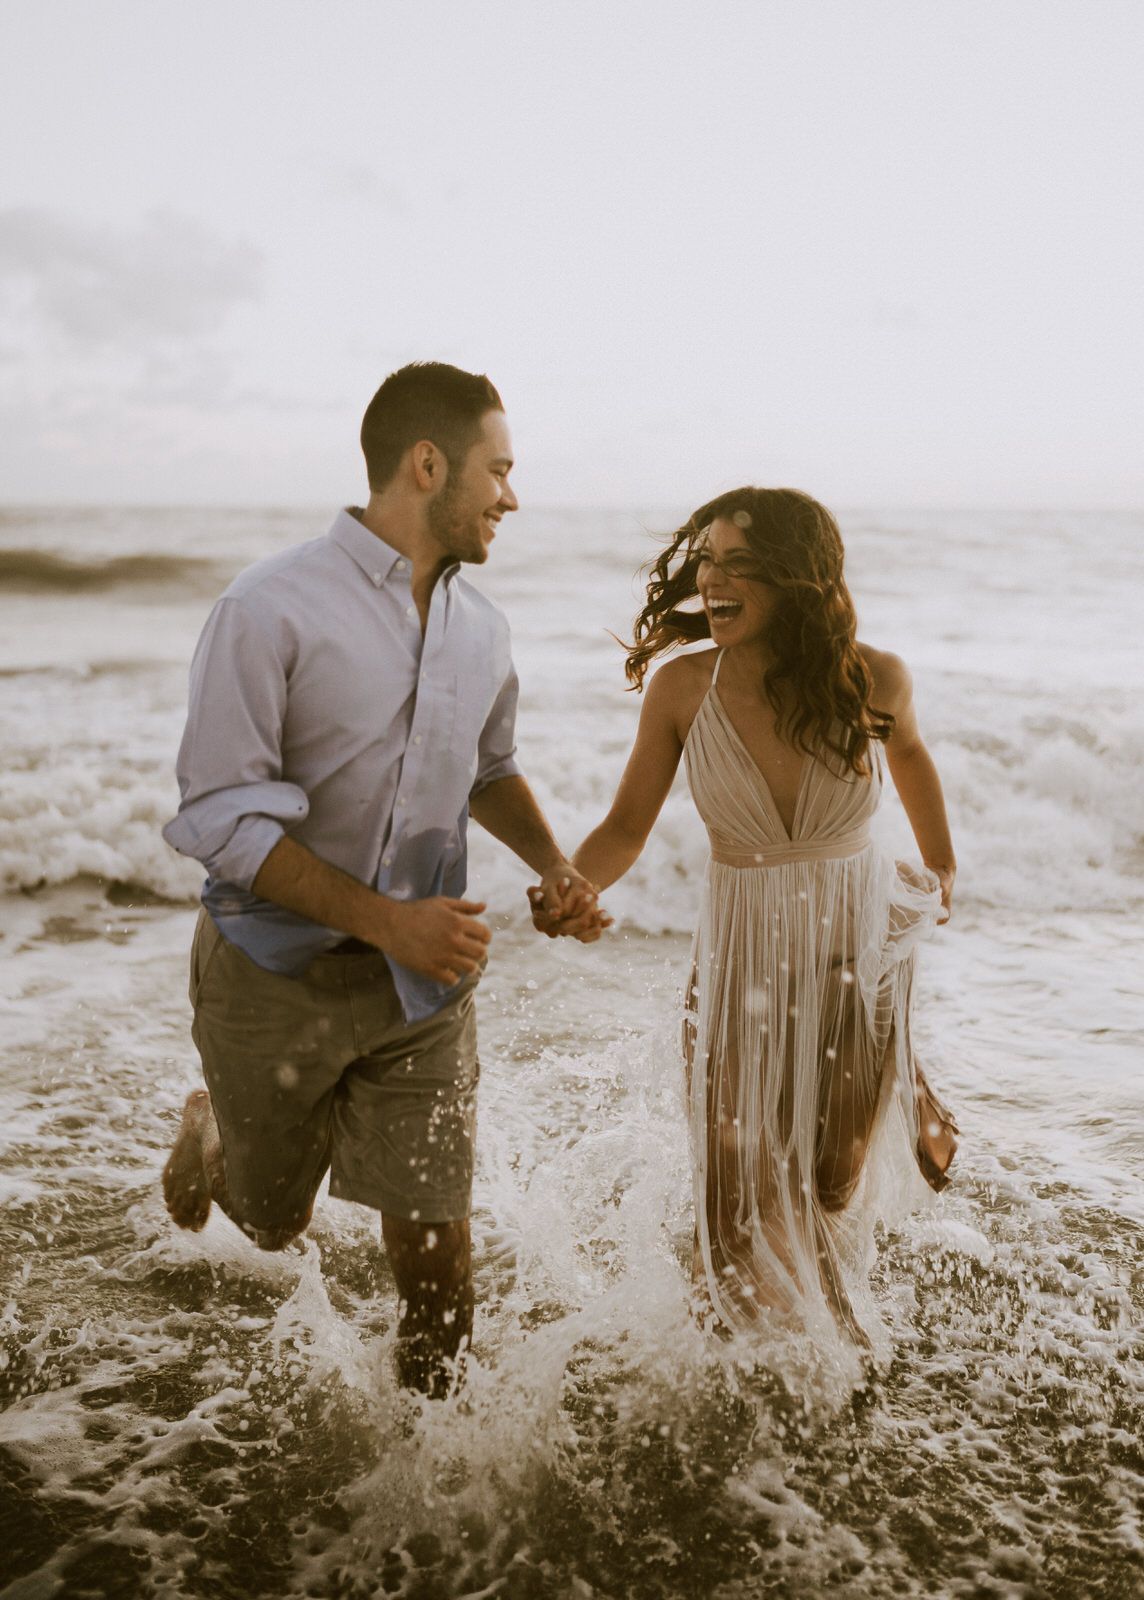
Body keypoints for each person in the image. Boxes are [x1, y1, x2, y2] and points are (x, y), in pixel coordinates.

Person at [161, 361, 601, 1395]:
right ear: (427, 463)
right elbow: (220, 818)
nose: (511, 495)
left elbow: (487, 771)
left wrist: (556, 867)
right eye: (499, 469)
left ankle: (430, 1480)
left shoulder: (482, 628)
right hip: (272, 974)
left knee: (439, 1254)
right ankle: (208, 1128)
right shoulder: (265, 608)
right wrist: (386, 921)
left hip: (424, 991)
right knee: (271, 1222)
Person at [535, 487, 958, 1342]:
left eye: (738, 564)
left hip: (850, 951)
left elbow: (908, 751)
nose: (712, 580)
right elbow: (624, 827)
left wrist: (942, 863)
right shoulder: (683, 689)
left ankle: (820, 1336)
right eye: (705, 561)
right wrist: (569, 881)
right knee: (733, 1207)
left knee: (829, 1185)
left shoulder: (874, 679)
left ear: (796, 580)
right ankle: (737, 1384)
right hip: (741, 964)